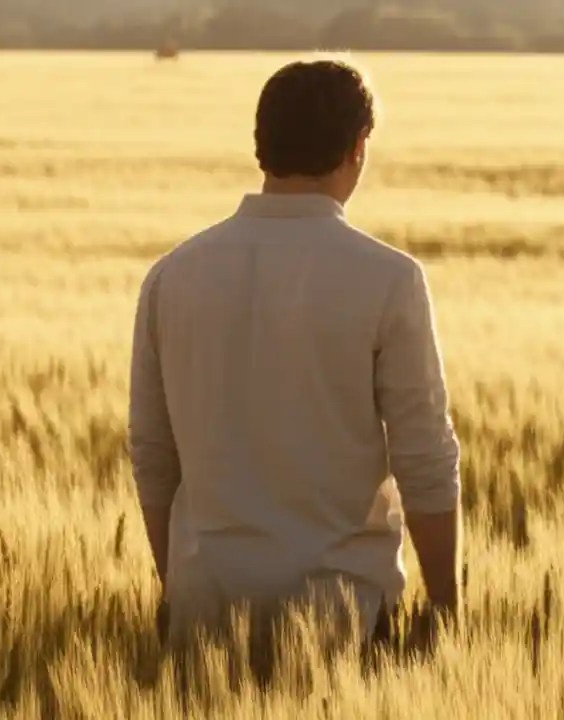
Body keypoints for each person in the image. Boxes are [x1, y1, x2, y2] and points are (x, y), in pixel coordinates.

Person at [127, 58, 462, 675]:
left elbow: (153, 454)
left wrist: (179, 589)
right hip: (347, 616)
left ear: (263, 144)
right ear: (357, 147)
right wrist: (444, 608)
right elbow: (425, 458)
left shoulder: (172, 276)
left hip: (205, 615)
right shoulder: (389, 279)